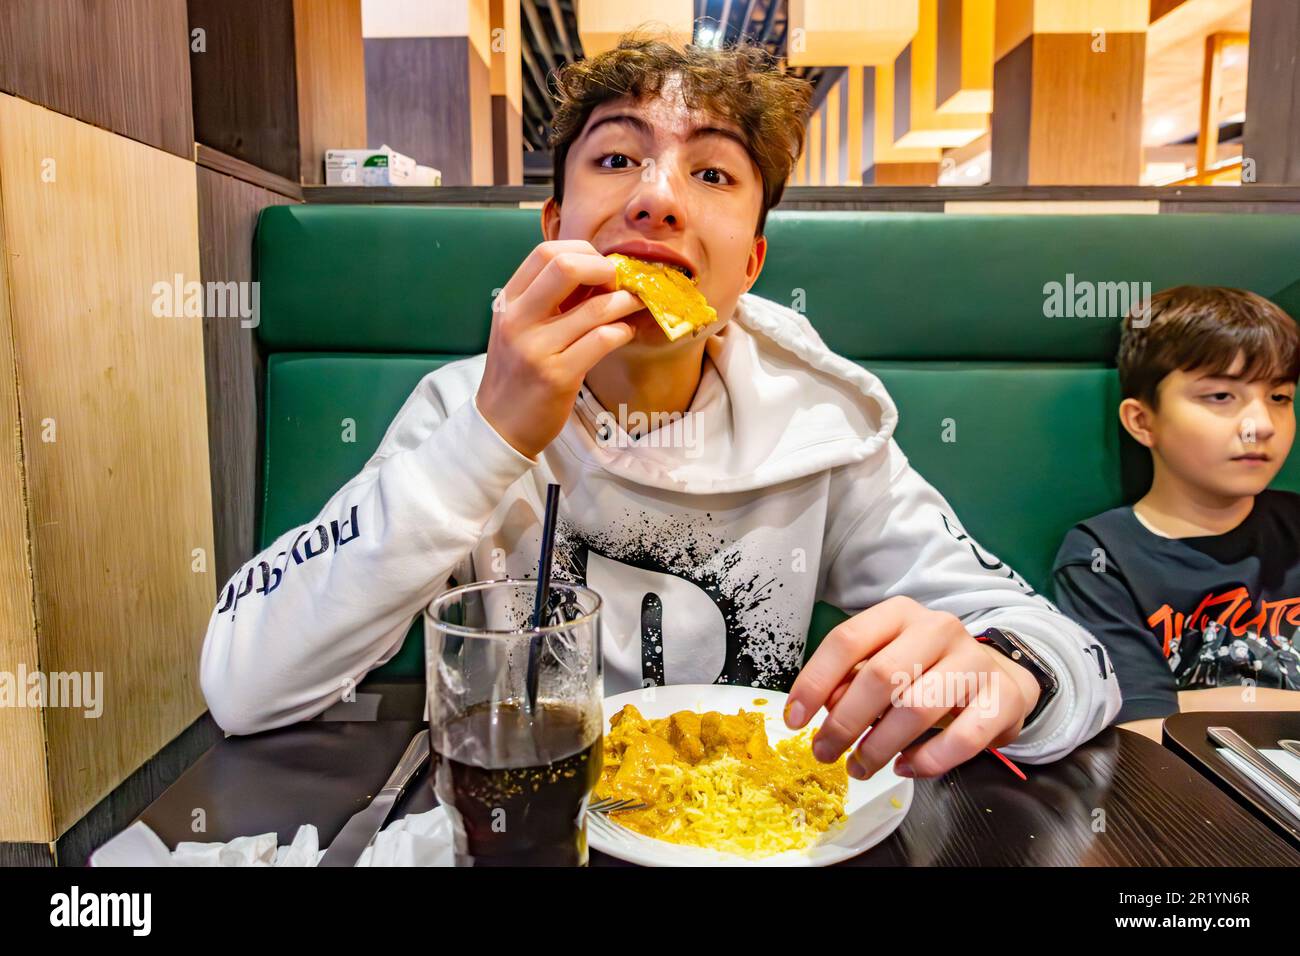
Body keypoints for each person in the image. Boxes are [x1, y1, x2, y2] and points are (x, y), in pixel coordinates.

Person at [201, 34, 1119, 779]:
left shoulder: (819, 428)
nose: (656, 199)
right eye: (615, 158)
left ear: (750, 267)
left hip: (748, 828)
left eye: (713, 175)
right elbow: (245, 682)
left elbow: (1066, 651)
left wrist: (1013, 670)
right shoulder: (457, 406)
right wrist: (487, 440)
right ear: (553, 227)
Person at [1053, 286, 1300, 742]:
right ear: (1142, 421)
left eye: (1280, 397)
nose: (1261, 424)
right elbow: (1145, 725)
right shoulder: (1103, 557)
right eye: (1222, 396)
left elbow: (1174, 709)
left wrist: (1190, 702)